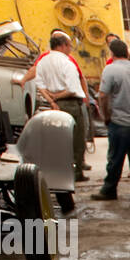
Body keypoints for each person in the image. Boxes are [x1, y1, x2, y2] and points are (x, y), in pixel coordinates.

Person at [92, 38, 130, 201]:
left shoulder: (110, 70)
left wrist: (106, 116)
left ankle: (109, 190)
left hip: (119, 122)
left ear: (112, 53)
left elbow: (103, 96)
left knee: (115, 159)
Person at [33, 31, 90, 181]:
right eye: (70, 46)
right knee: (77, 140)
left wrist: (52, 101)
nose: (70, 49)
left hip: (55, 106)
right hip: (71, 104)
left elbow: (40, 85)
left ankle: (60, 171)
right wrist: (58, 96)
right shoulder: (67, 62)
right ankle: (77, 173)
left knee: (60, 140)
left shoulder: (43, 62)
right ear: (63, 46)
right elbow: (72, 89)